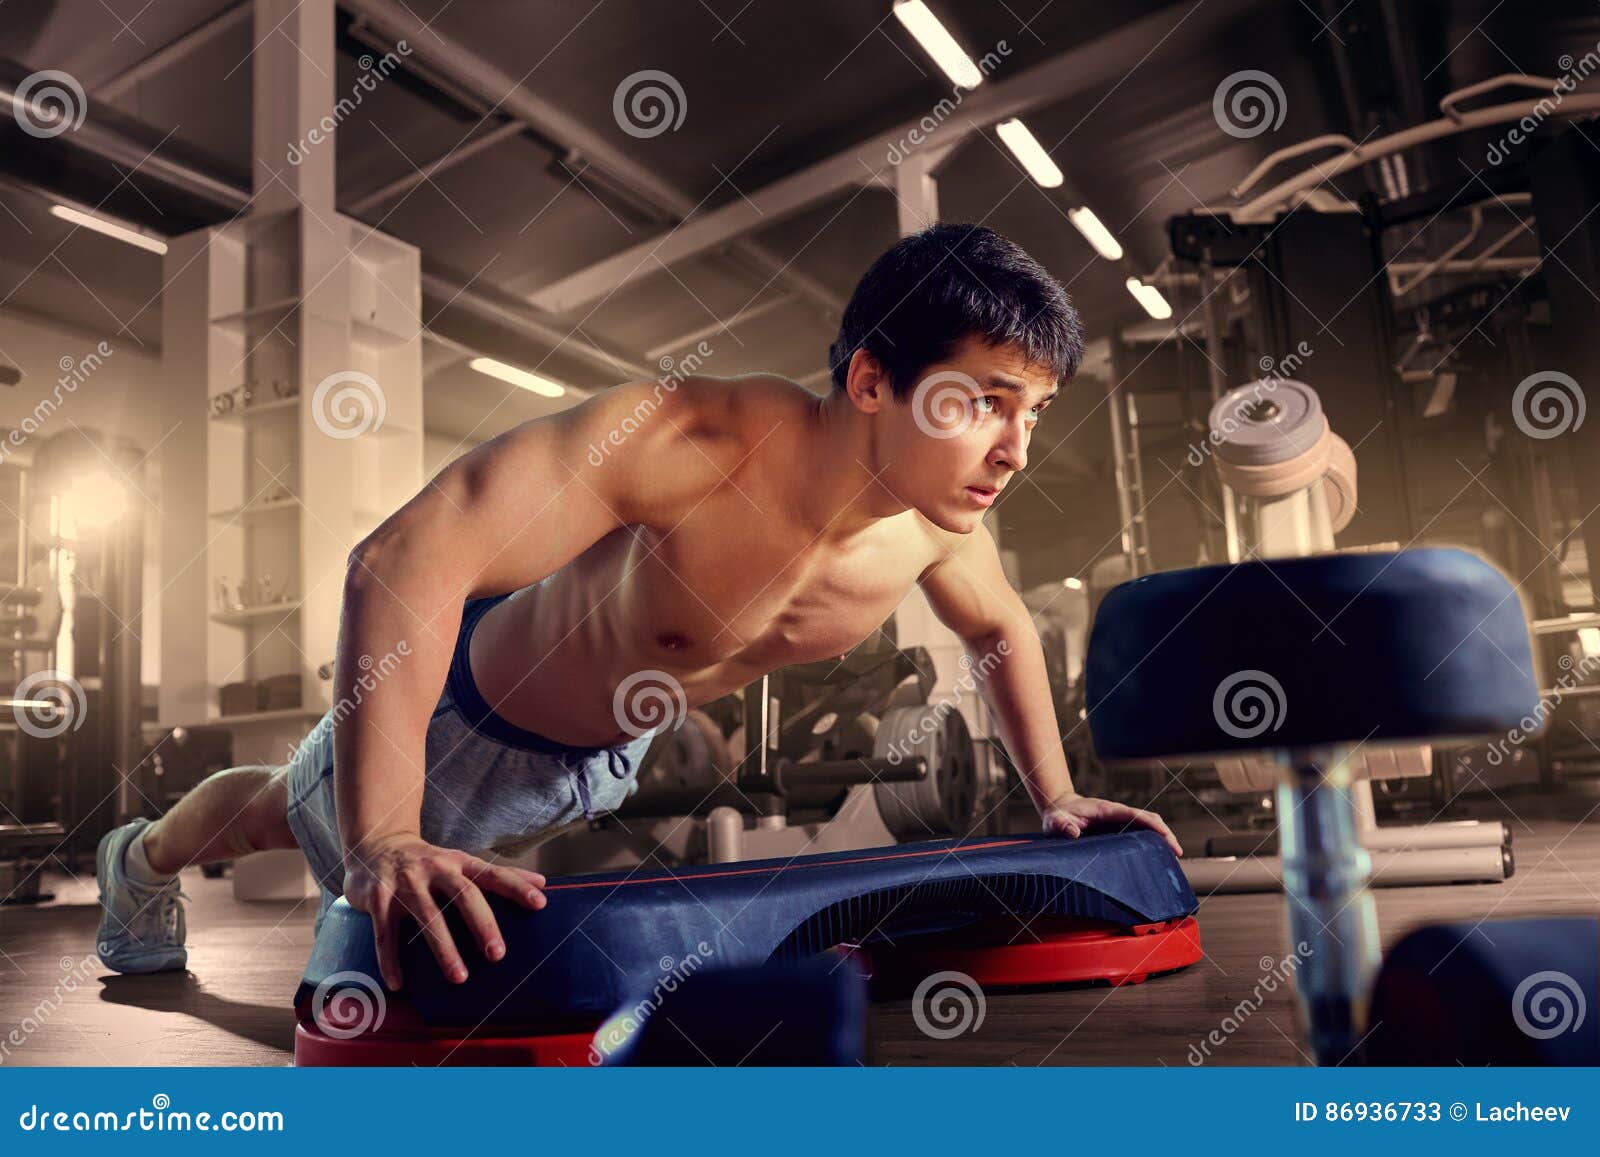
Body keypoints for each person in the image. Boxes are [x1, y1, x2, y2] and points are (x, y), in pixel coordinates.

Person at [95, 223, 1181, 991]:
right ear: (868, 382)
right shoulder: (688, 440)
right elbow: (399, 558)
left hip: (605, 761)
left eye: (1032, 410)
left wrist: (1057, 794)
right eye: (985, 402)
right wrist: (383, 830)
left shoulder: (940, 516)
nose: (1016, 448)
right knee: (278, 813)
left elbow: (996, 629)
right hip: (457, 725)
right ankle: (138, 860)